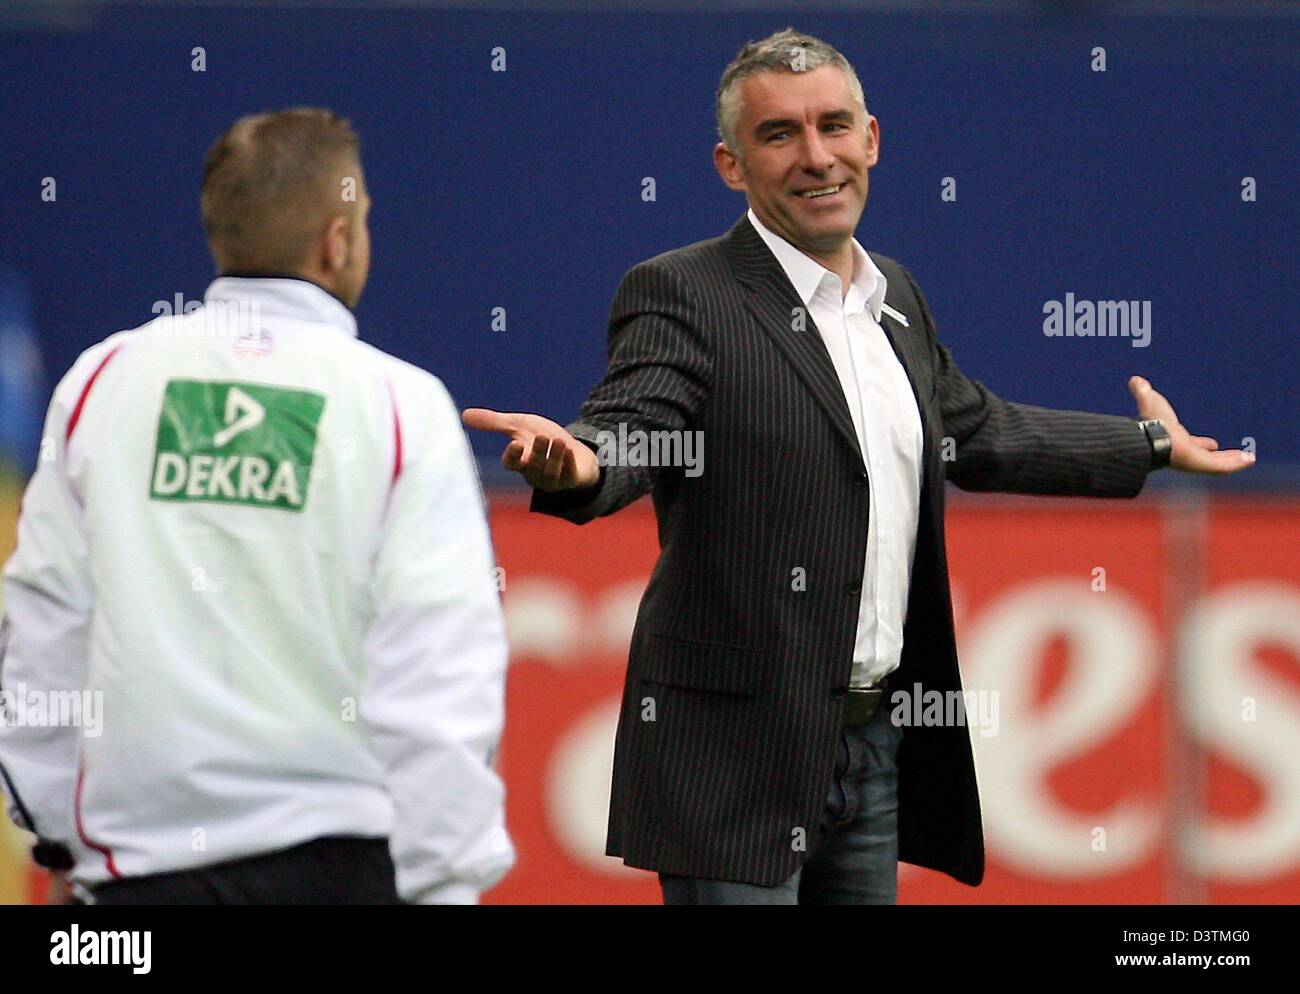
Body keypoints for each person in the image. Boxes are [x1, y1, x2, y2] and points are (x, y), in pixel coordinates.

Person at [462, 29, 1252, 905]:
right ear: (731, 165)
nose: (816, 157)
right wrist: (579, 463)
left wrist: (1146, 448)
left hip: (873, 746)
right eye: (779, 135)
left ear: (871, 138)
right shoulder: (684, 291)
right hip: (734, 757)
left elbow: (976, 429)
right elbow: (631, 428)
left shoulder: (897, 297)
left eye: (834, 126)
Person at [0, 108, 513, 904]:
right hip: (337, 873)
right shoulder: (399, 404)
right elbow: (441, 664)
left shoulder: (102, 382)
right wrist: (443, 881)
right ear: (337, 239)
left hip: (134, 880)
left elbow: (41, 626)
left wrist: (59, 834)